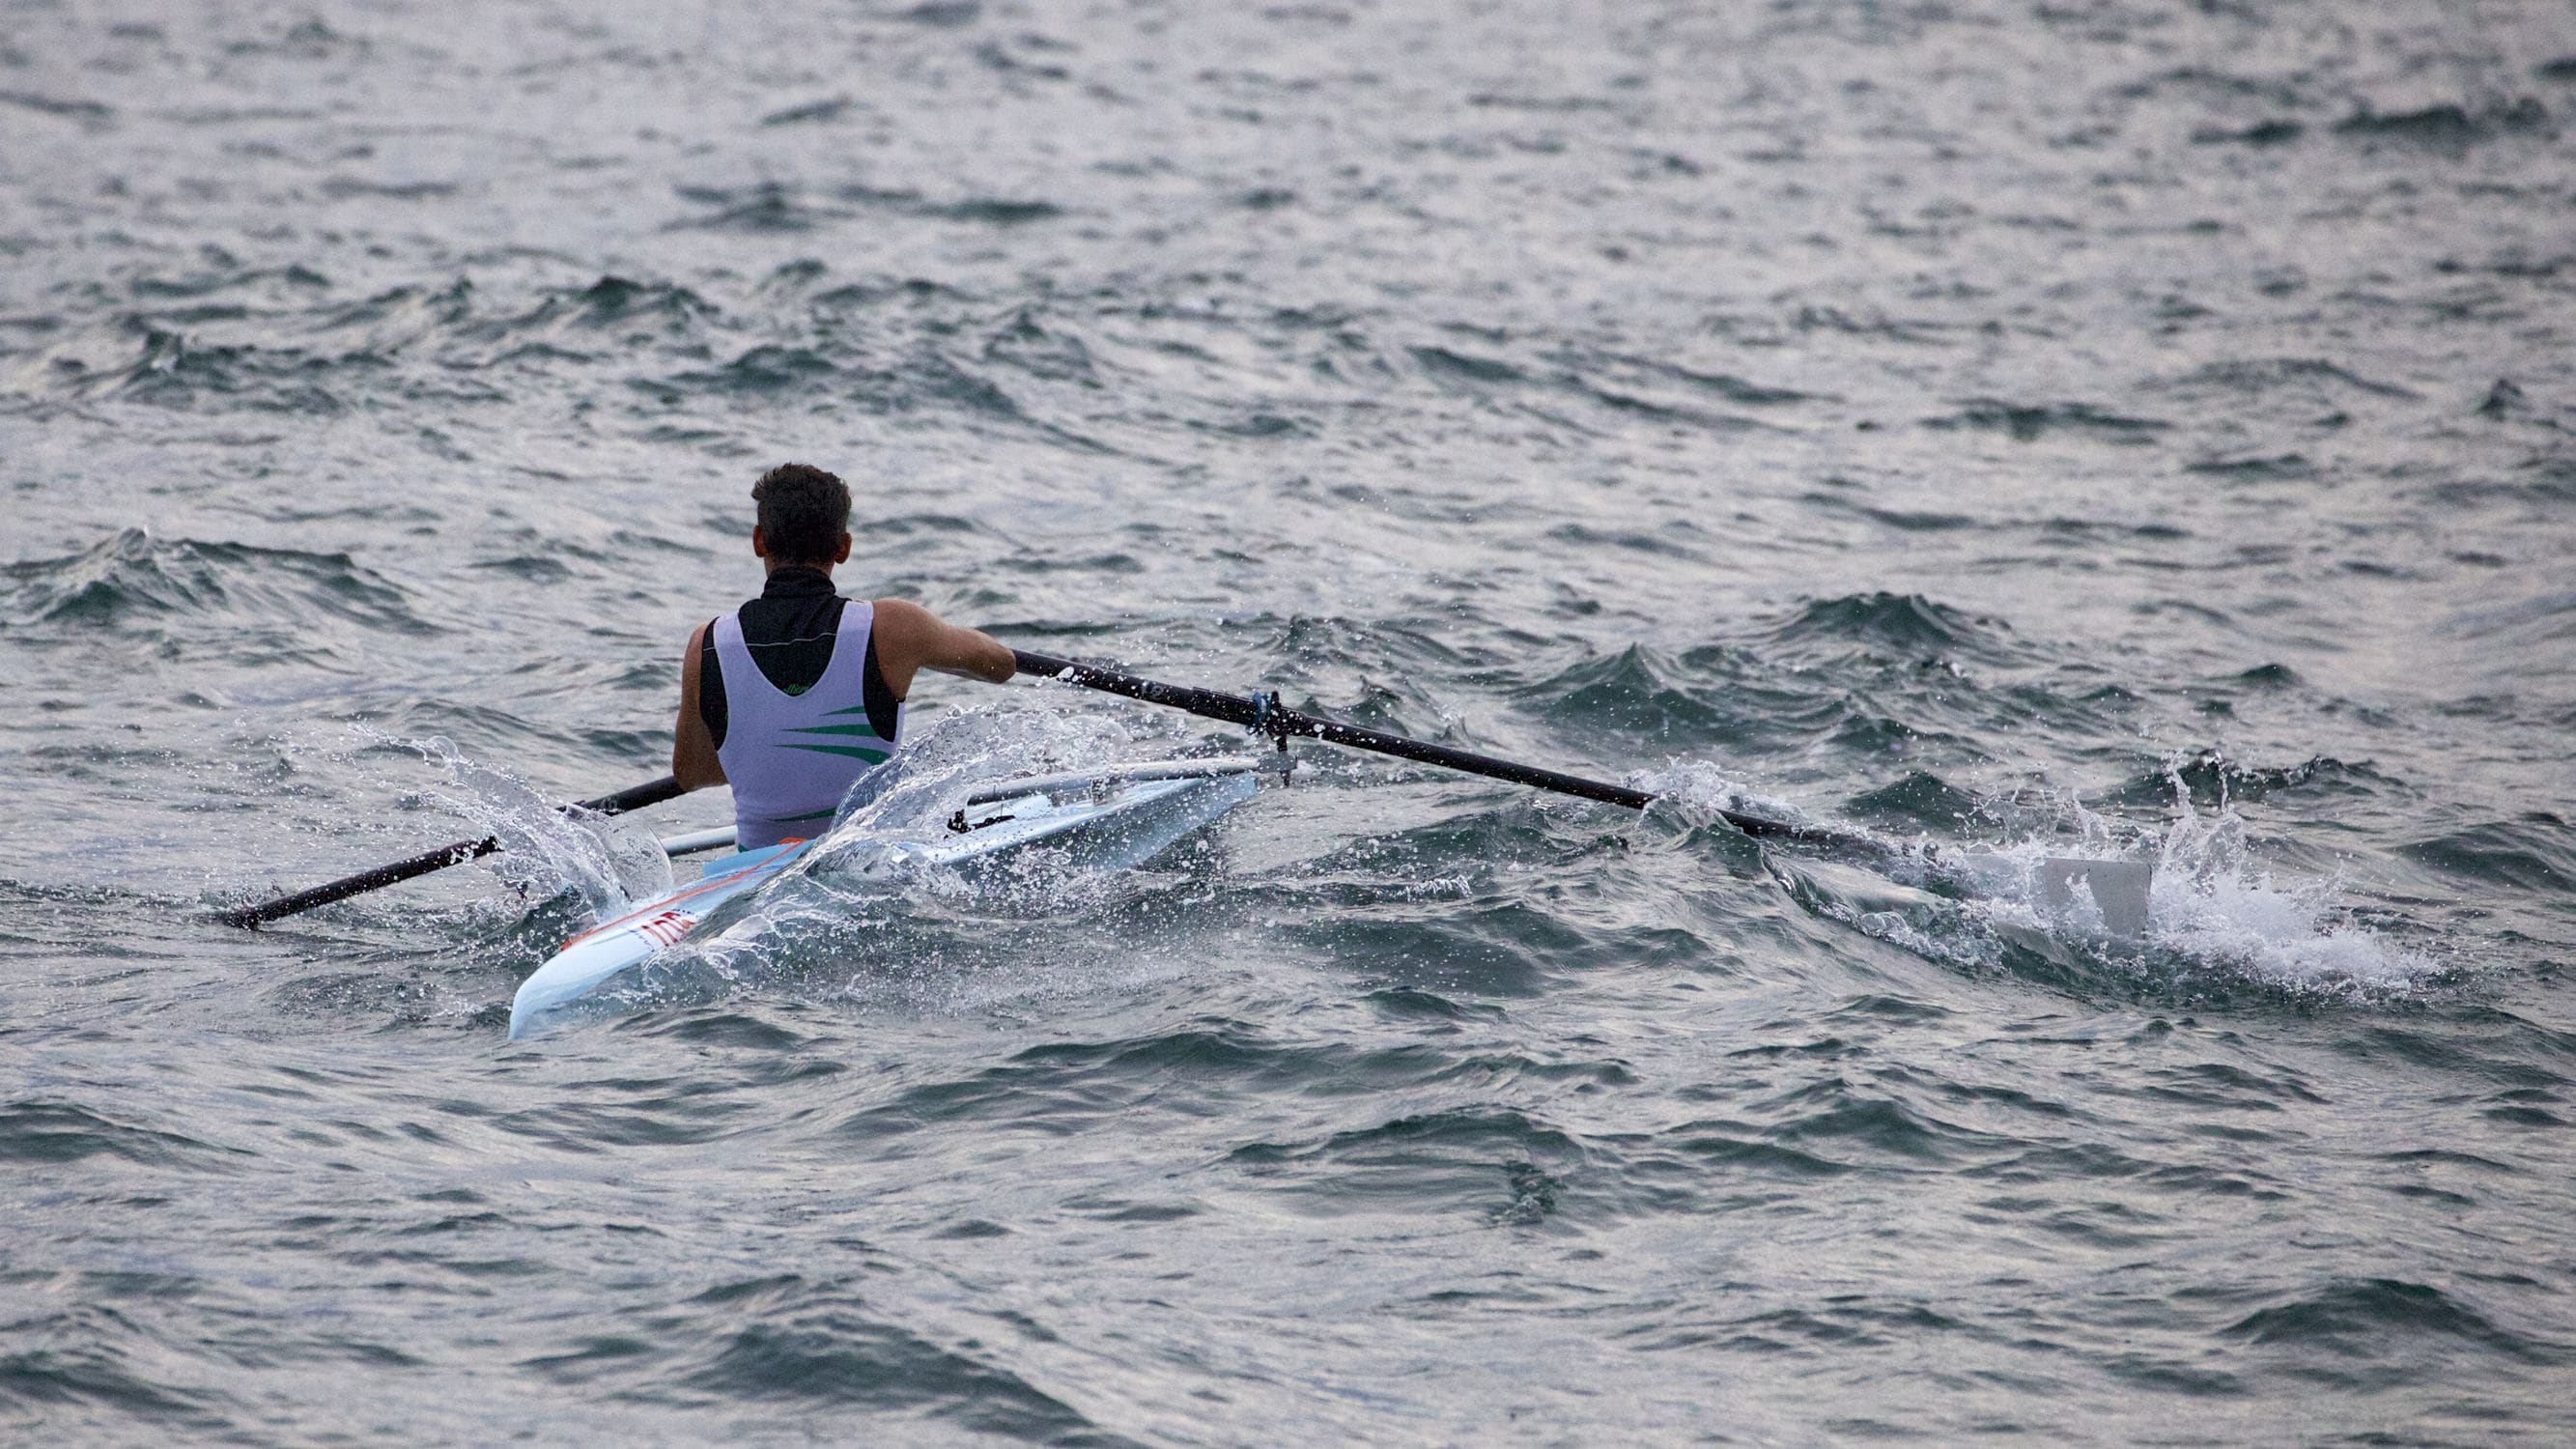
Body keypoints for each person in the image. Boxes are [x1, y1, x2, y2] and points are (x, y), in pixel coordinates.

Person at [672, 463, 1015, 848]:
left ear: (758, 541)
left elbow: (693, 774)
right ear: (844, 547)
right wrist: (922, 648)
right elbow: (1000, 665)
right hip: (864, 859)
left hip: (757, 869)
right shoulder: (893, 626)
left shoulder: (708, 644)